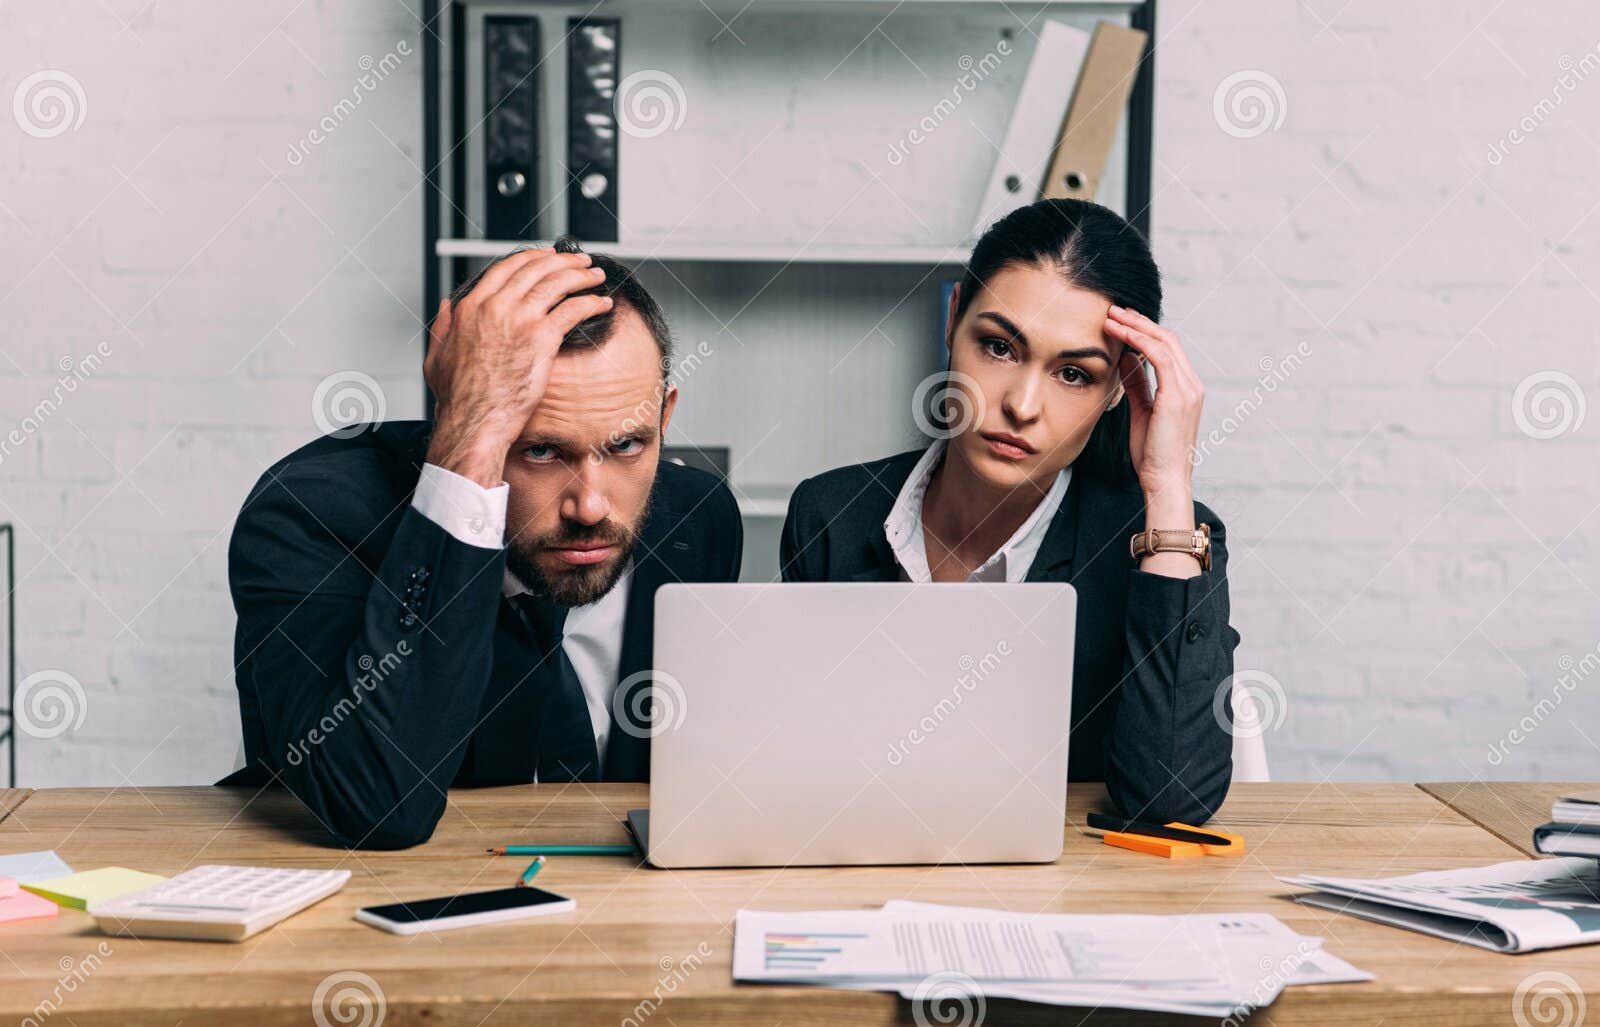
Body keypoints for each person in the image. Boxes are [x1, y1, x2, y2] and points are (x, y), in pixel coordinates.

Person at [224, 243, 742, 849]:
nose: (590, 507)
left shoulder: (698, 518)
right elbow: (375, 810)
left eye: (626, 445)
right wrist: (470, 447)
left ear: (663, 418)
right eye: (540, 451)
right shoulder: (310, 515)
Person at [780, 199, 1238, 824]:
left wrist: (1166, 484)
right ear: (953, 321)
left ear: (1117, 391)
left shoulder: (1161, 539)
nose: (1022, 405)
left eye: (1074, 374)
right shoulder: (831, 514)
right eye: (998, 347)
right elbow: (800, 768)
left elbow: (1171, 804)